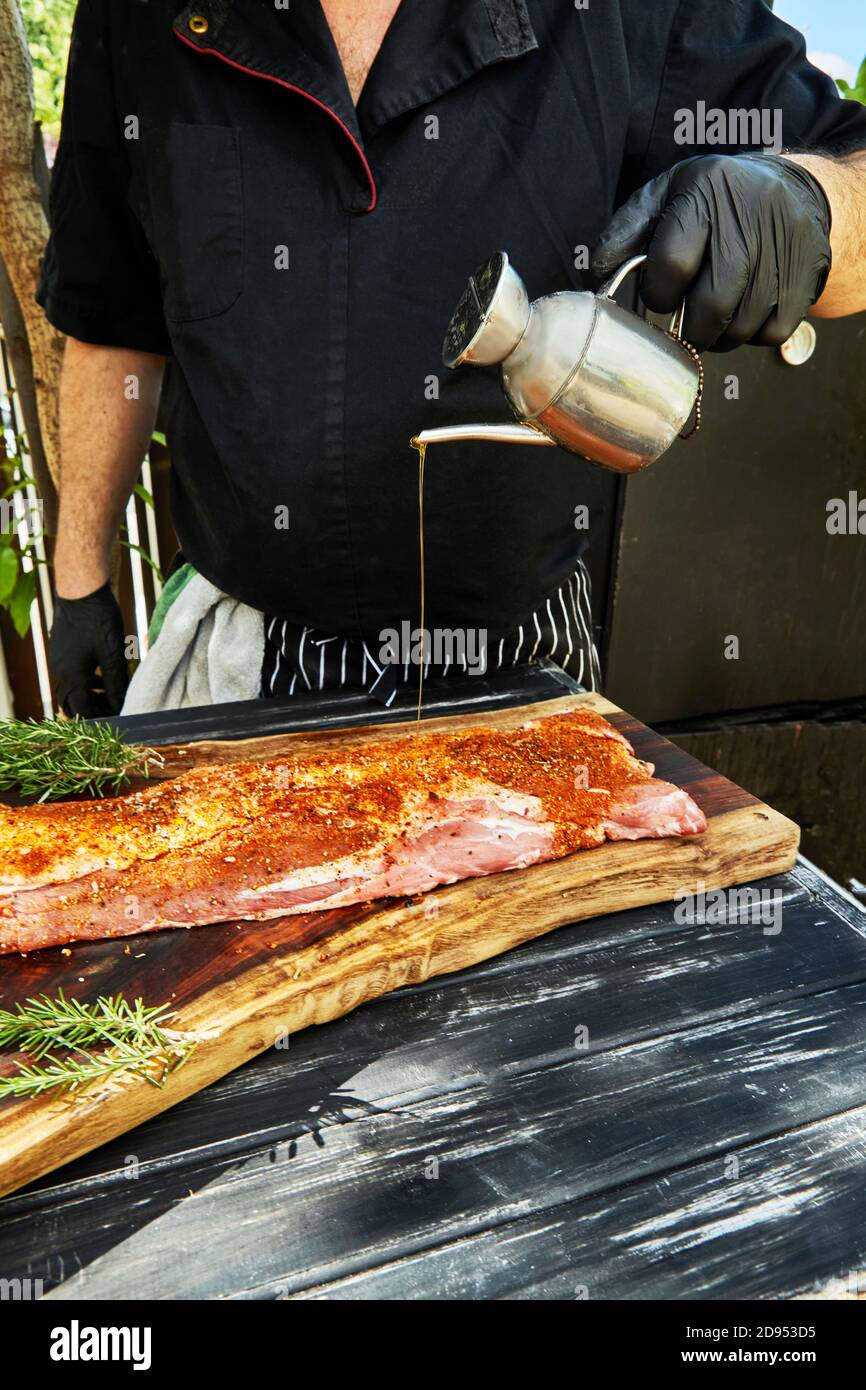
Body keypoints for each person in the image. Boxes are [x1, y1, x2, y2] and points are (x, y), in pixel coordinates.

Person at [39, 0, 866, 716]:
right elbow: (111, 318)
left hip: (522, 655)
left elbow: (853, 161)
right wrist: (78, 581)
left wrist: (813, 203)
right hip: (240, 656)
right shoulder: (137, 17)